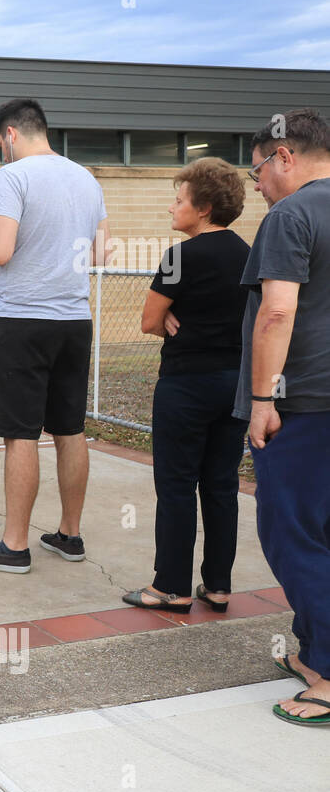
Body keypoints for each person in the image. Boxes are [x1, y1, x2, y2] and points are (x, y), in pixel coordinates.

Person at [0, 98, 109, 573]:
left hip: (24, 320)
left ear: (8, 135)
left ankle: (14, 545)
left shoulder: (13, 177)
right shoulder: (86, 177)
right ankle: (69, 534)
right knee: (69, 428)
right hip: (74, 319)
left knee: (19, 433)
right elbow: (101, 253)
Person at [118, 159, 250, 613]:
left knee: (176, 485)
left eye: (179, 200)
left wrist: (173, 320)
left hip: (187, 384)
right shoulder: (250, 253)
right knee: (221, 485)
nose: (172, 208)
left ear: (205, 207)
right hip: (236, 384)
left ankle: (169, 587)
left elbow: (150, 320)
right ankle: (218, 586)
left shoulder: (179, 257)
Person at [235, 109, 330, 726]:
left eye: (258, 170)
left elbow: (276, 313)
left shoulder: (290, 216)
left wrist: (263, 400)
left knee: (291, 533)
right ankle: (313, 653)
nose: (258, 185)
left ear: (284, 156)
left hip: (304, 402)